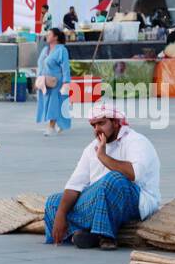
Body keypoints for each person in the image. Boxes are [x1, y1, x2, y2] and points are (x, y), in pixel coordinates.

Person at [44, 102, 161, 251]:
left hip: (138, 201)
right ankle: (86, 235)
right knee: (54, 202)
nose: (97, 129)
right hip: (101, 197)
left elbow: (133, 174)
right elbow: (75, 185)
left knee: (113, 179)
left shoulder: (136, 141)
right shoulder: (90, 148)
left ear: (115, 122)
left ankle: (106, 236)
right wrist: (61, 214)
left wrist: (103, 156)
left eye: (102, 123)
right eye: (94, 125)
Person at [35, 27, 72, 134]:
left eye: (49, 34)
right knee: (47, 103)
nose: (47, 36)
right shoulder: (45, 50)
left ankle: (51, 126)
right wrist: (38, 80)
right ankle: (58, 124)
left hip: (57, 81)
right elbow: (40, 65)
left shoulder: (62, 50)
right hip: (45, 81)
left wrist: (66, 82)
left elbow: (65, 67)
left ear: (55, 37)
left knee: (54, 103)